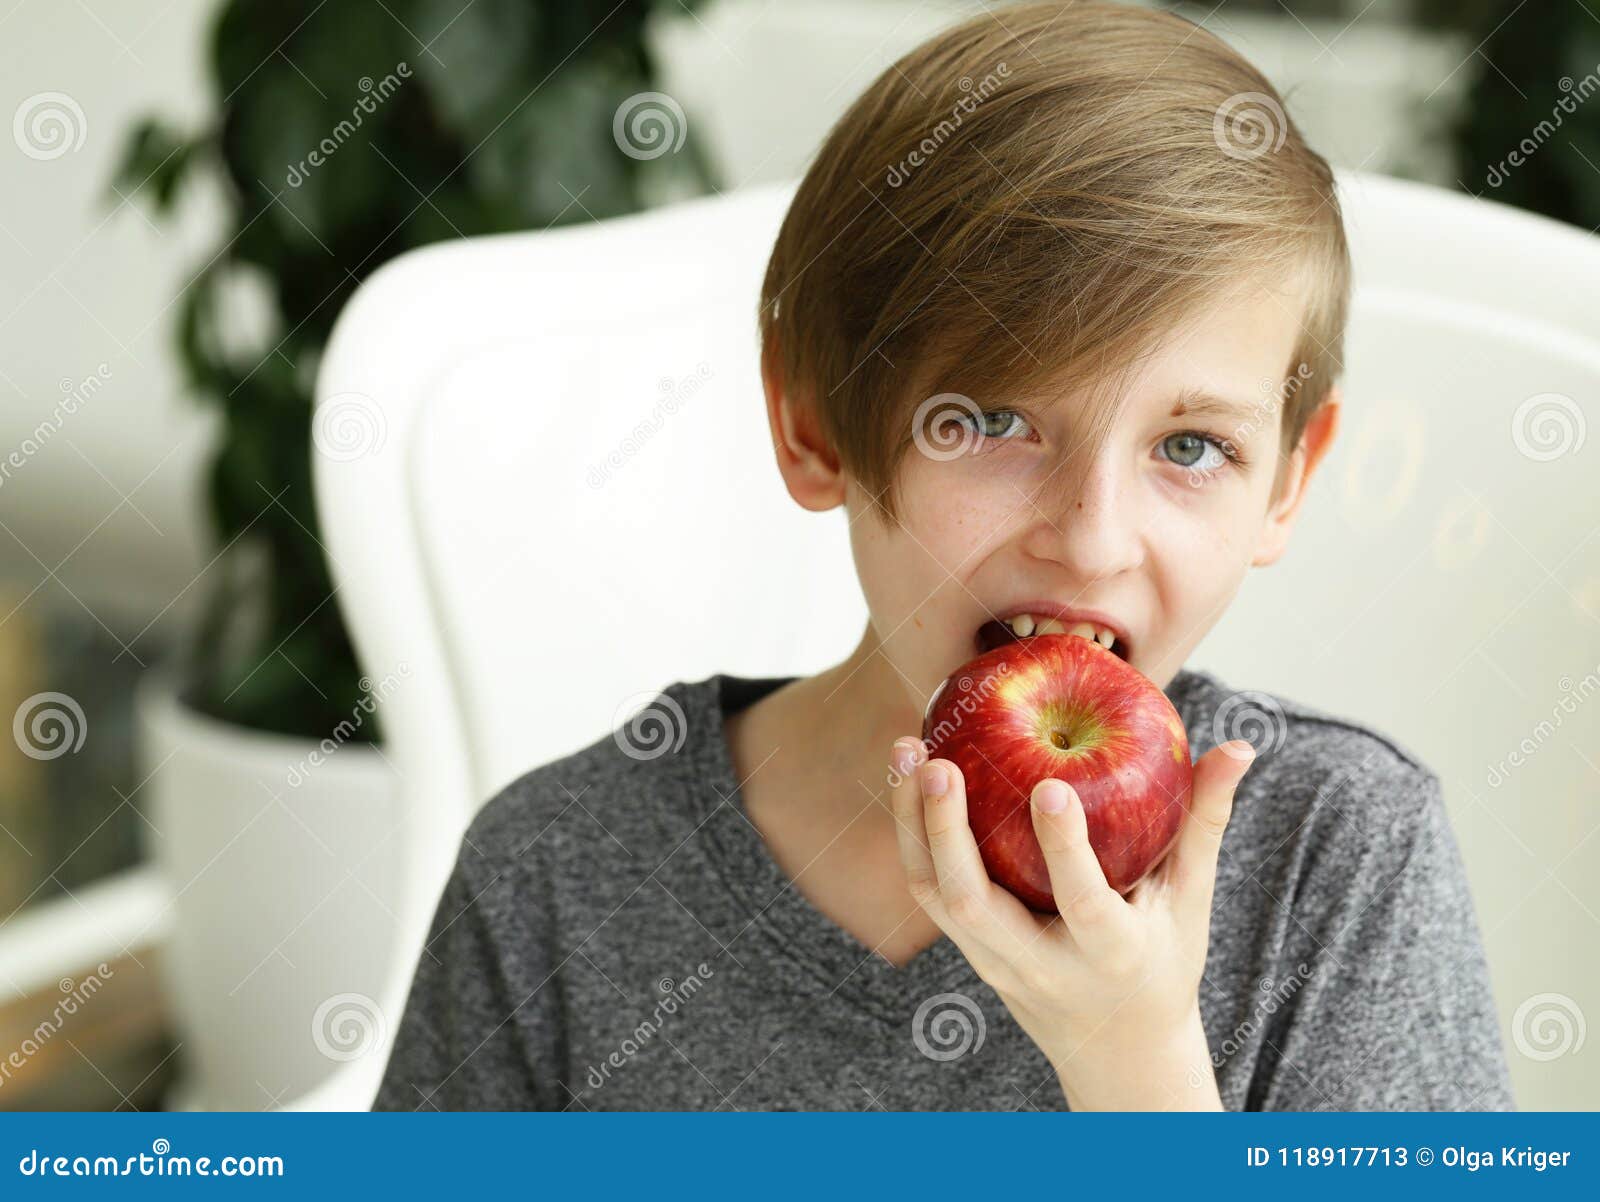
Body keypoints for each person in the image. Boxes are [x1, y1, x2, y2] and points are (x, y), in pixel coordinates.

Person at [372, 0, 1512, 1112]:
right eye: (997, 424)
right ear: (813, 426)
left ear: (1286, 481)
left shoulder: (1341, 859)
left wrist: (1134, 1058)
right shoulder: (558, 873)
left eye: (1190, 445)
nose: (1093, 536)